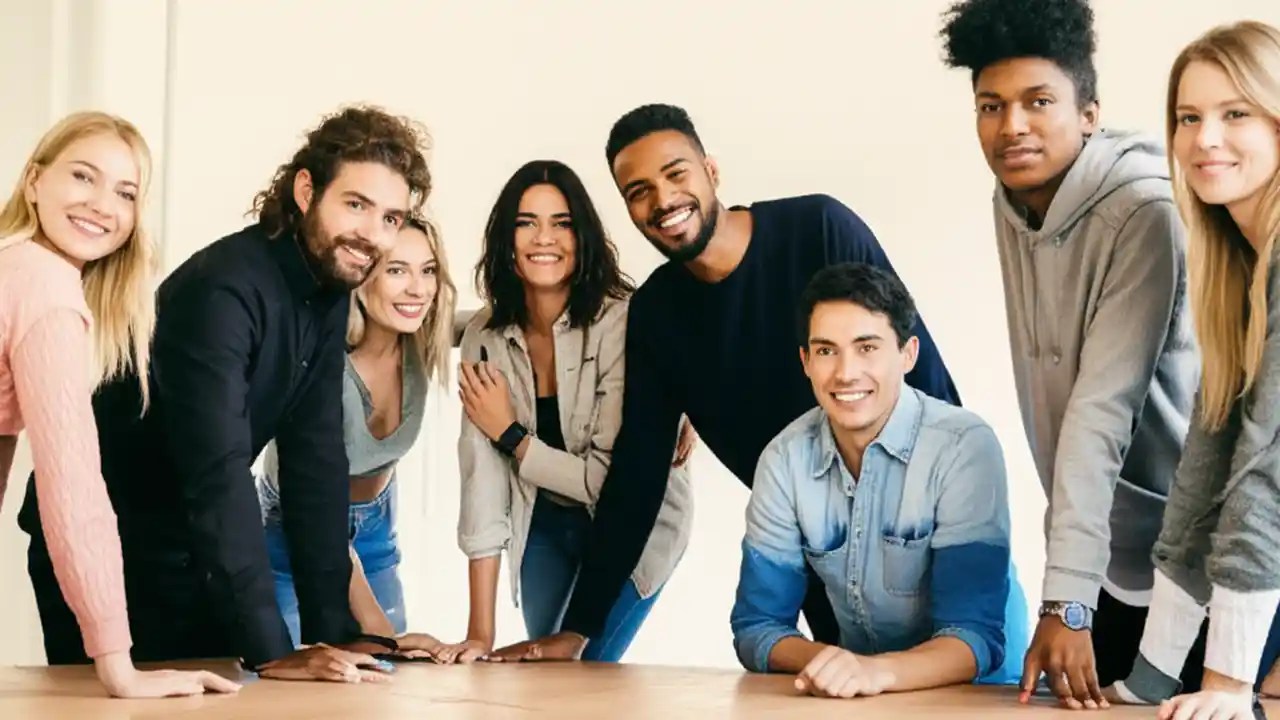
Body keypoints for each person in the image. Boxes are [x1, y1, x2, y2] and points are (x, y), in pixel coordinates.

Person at [485, 103, 963, 662]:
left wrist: (957, 530)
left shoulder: (818, 229)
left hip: (923, 543)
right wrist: (580, 627)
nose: (662, 200)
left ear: (711, 172)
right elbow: (638, 478)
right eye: (638, 191)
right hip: (819, 561)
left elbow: (929, 389)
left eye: (676, 173)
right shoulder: (658, 312)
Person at [18, 104, 432, 683]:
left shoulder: (329, 290)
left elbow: (316, 463)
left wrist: (332, 632)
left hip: (196, 546)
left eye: (391, 218)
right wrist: (272, 650)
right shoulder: (225, 288)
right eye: (356, 205)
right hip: (109, 544)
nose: (372, 233)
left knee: (238, 695)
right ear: (306, 190)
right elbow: (217, 469)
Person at [939, 0, 1204, 708]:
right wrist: (1075, 585)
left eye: (1038, 101)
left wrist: (1065, 604)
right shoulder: (1015, 199)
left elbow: (1100, 410)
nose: (1011, 125)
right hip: (1109, 556)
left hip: (1196, 556)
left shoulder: (1144, 213)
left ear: (1088, 113)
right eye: (990, 106)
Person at [0, 111, 239, 697]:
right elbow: (72, 484)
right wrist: (118, 665)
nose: (103, 204)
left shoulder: (14, 265)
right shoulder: (44, 287)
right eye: (83, 176)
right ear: (34, 181)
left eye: (125, 192)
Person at [730, 262, 1027, 697]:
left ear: (908, 354)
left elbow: (972, 637)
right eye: (826, 351)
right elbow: (757, 626)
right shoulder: (784, 460)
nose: (846, 372)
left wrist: (869, 673)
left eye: (867, 347)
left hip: (985, 694)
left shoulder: (963, 446)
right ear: (805, 362)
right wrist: (833, 665)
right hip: (868, 698)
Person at [446, 160, 695, 664]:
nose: (545, 238)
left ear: (583, 237)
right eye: (526, 222)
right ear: (506, 240)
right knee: (548, 678)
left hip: (635, 527)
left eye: (561, 223)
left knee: (582, 668)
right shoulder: (486, 338)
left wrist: (513, 436)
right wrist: (479, 632)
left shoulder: (623, 323)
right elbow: (483, 484)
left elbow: (610, 483)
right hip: (543, 521)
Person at [1102, 20, 1280, 720]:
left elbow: (1267, 473)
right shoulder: (1236, 263)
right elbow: (1207, 467)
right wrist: (1153, 678)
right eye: (1188, 117)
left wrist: (1231, 686)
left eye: (1235, 113)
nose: (1205, 138)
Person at [256, 214, 457, 651]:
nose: (418, 289)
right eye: (396, 270)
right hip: (292, 524)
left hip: (375, 525)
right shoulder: (322, 363)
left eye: (428, 270)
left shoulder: (419, 336)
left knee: (382, 683)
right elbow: (312, 500)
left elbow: (496, 323)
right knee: (288, 686)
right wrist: (377, 629)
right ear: (363, 276)